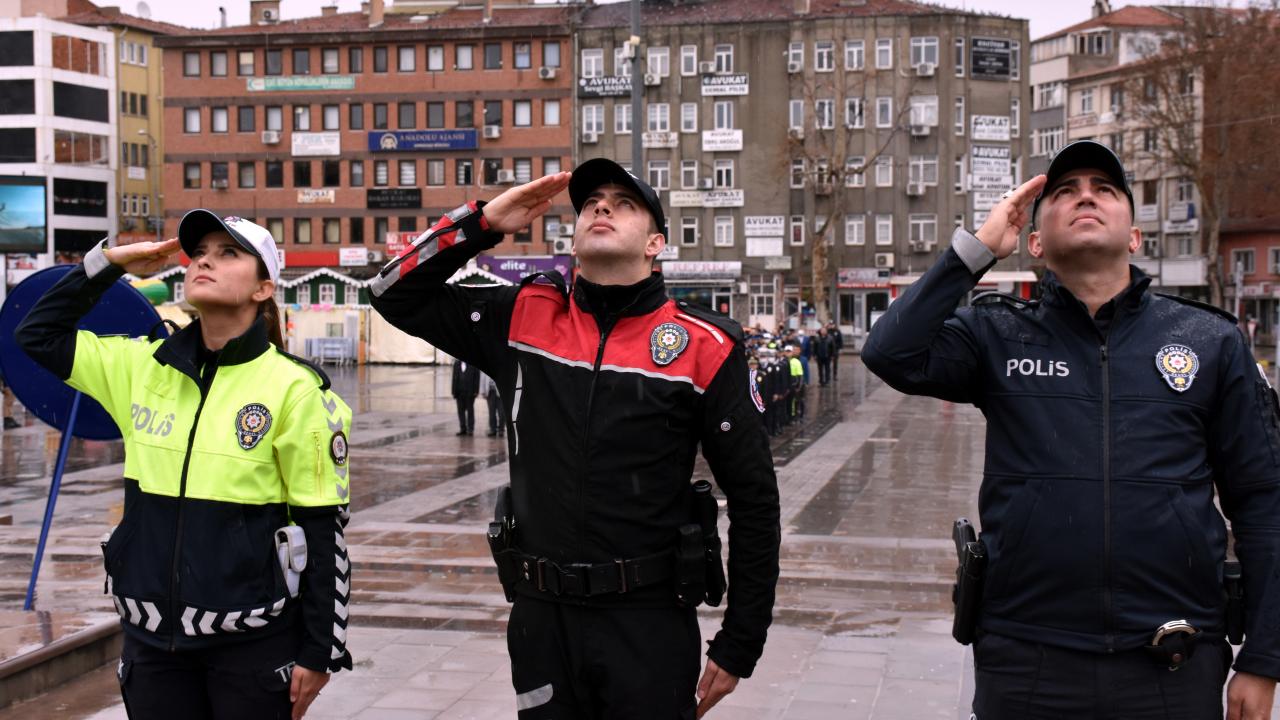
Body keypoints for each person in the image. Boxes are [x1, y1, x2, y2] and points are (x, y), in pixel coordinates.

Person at [862, 140, 1280, 719]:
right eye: (1063, 192)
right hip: (1027, 663)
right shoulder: (996, 334)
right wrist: (977, 251)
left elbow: (1263, 503)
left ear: (1135, 236)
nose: (1086, 196)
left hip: (1172, 662)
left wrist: (1264, 657)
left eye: (1105, 190)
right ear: (1035, 242)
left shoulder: (1211, 341)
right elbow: (890, 353)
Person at [368, 160, 780, 719]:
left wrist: (741, 640)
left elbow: (755, 500)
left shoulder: (702, 344)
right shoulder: (525, 316)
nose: (602, 207)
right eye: (590, 203)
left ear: (656, 243)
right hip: (542, 620)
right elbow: (391, 292)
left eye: (624, 203)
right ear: (576, 235)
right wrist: (484, 222)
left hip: (648, 623)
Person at [15, 212, 352, 720]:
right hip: (151, 644)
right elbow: (36, 334)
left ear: (264, 288)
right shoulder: (139, 366)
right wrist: (109, 264)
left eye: (228, 253)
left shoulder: (297, 390)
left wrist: (320, 650)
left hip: (253, 646)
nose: (204, 261)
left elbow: (324, 531)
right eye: (199, 253)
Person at [451, 356, 479, 436]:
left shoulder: (473, 364)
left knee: (470, 411)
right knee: (460, 411)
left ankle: (470, 429)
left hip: (470, 392)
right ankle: (462, 428)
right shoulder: (456, 364)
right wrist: (453, 391)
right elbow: (454, 378)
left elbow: (477, 377)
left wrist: (476, 390)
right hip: (459, 392)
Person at [479, 370, 503, 437]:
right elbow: (482, 378)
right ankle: (493, 430)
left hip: (501, 393)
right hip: (490, 392)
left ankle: (501, 430)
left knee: (501, 413)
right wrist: (482, 391)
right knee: (491, 412)